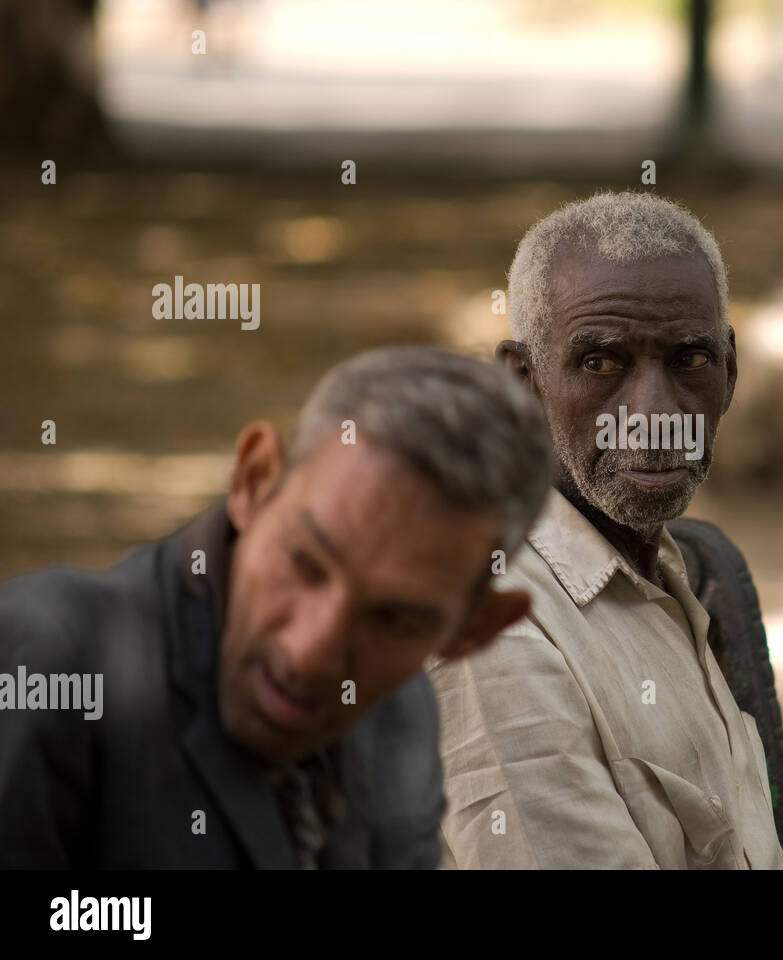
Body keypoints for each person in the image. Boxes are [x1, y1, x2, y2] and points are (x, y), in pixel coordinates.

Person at [0, 346, 549, 868]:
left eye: (393, 619)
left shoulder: (402, 717)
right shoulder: (53, 660)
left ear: (474, 631)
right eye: (304, 564)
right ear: (255, 479)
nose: (310, 651)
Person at [430, 191, 783, 869]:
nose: (652, 413)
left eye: (689, 360)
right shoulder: (492, 628)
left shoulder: (659, 570)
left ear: (730, 373)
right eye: (601, 364)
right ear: (521, 384)